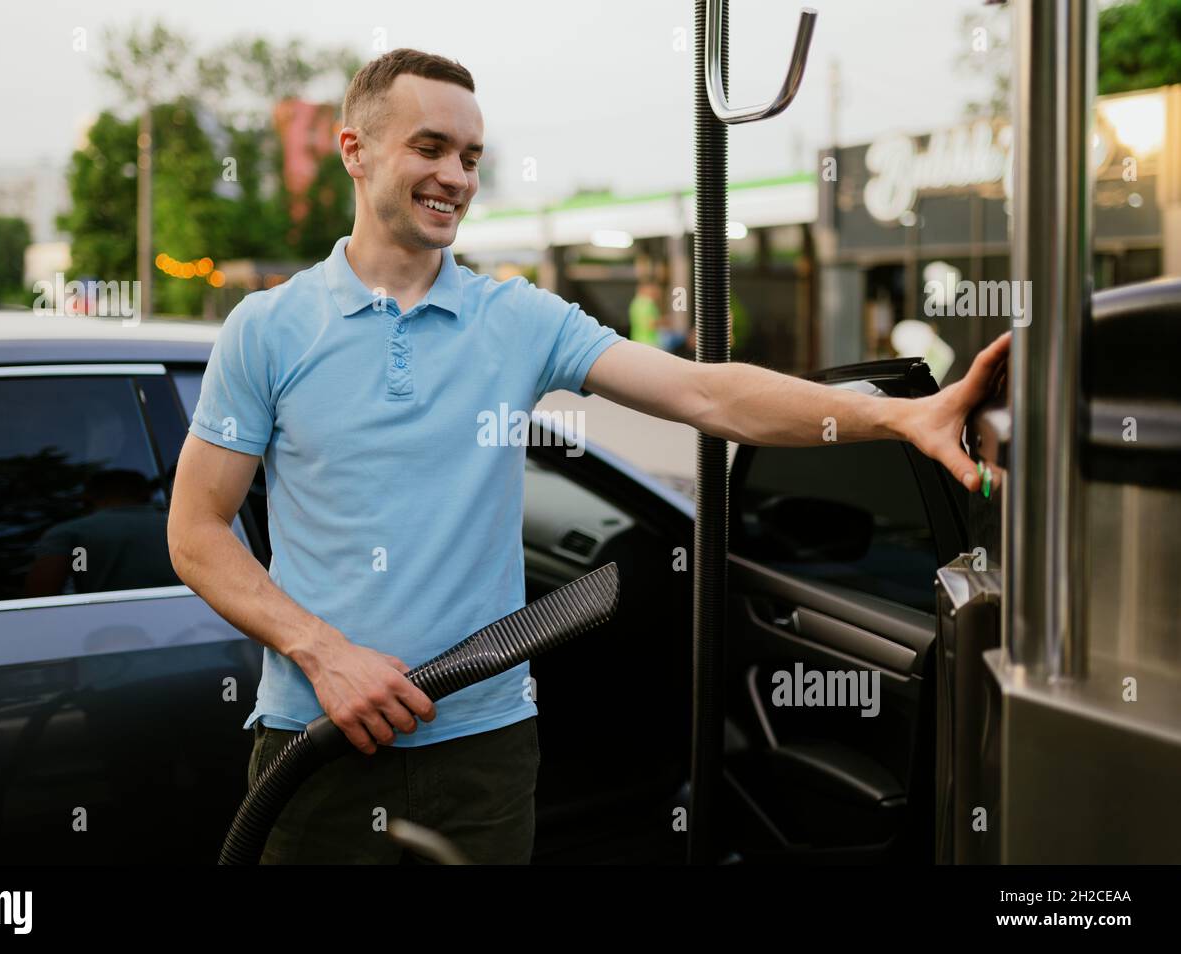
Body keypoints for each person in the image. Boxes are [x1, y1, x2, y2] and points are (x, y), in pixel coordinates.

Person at [166, 48, 1010, 865]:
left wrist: (900, 417)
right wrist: (325, 653)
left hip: (486, 744)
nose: (455, 176)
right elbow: (198, 530)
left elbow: (708, 395)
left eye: (470, 156)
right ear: (354, 150)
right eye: (429, 148)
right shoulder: (268, 329)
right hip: (315, 740)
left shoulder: (518, 318)